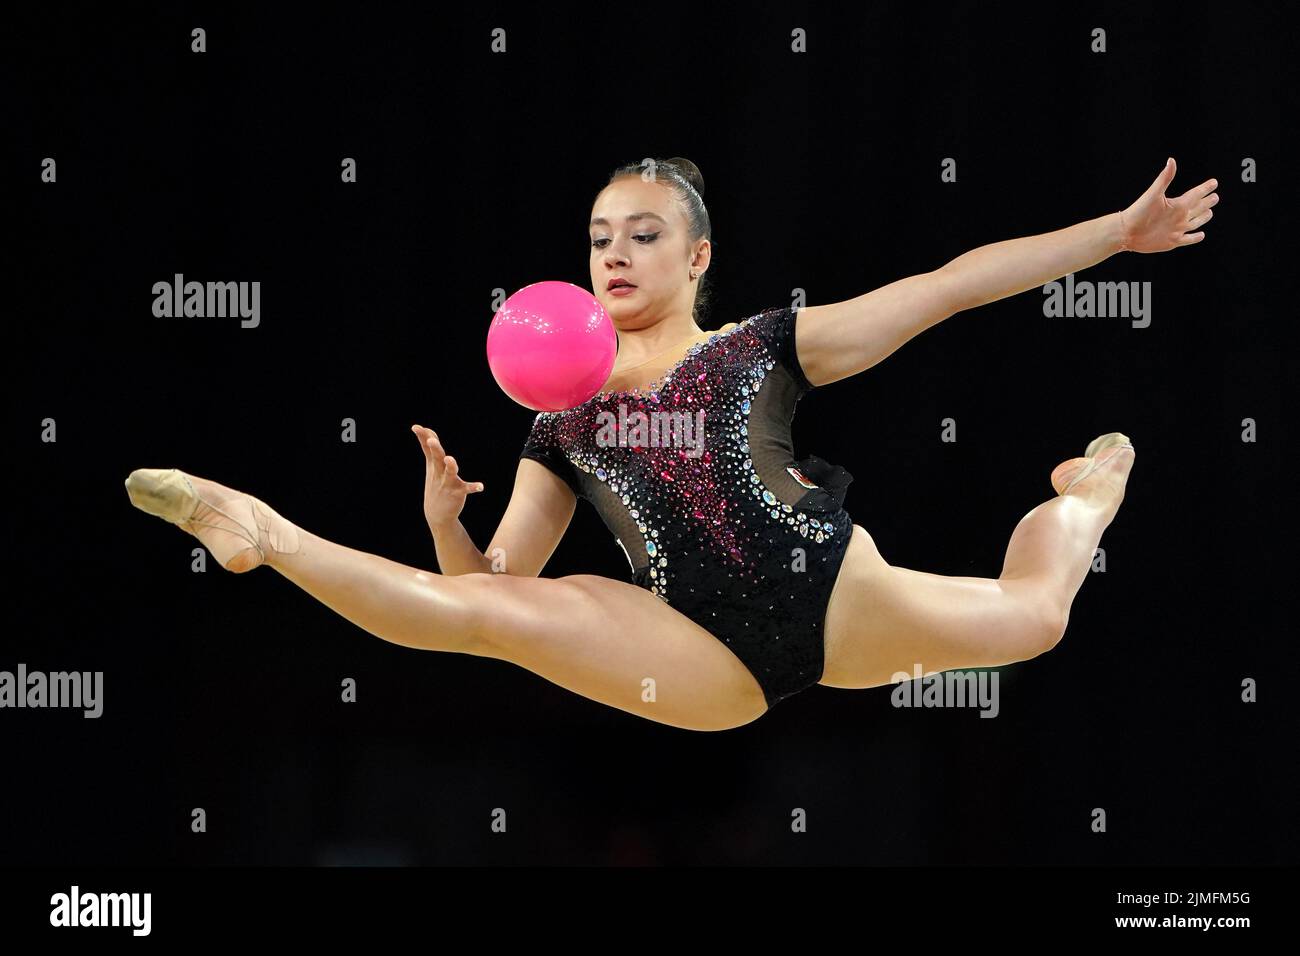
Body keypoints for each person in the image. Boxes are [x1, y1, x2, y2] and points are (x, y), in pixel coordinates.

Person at [126, 156, 1218, 732]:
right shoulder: (558, 419)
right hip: (696, 657)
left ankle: (1087, 491)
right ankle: (266, 532)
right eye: (599, 236)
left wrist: (1112, 236)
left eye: (644, 234)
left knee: (1036, 614)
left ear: (697, 257)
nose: (615, 253)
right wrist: (444, 523)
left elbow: (946, 287)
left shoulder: (763, 345)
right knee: (489, 618)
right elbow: (490, 593)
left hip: (829, 592)